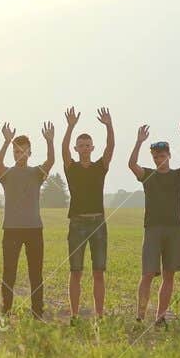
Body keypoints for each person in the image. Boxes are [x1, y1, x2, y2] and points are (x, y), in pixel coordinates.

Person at [129, 120, 180, 324]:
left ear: (169, 155)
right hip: (152, 229)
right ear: (153, 158)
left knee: (170, 276)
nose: (159, 158)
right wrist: (138, 142)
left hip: (174, 229)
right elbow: (131, 165)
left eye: (162, 155)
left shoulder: (178, 175)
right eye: (156, 156)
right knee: (148, 273)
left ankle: (160, 316)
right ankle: (140, 316)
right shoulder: (148, 175)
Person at [0, 121, 56, 319]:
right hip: (11, 229)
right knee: (9, 272)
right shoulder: (7, 174)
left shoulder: (36, 173)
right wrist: (6, 142)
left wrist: (50, 141)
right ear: (13, 153)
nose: (20, 154)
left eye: (23, 151)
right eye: (16, 151)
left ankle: (37, 311)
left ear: (29, 153)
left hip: (34, 229)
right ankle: (6, 310)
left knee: (35, 273)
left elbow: (50, 161)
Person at [63, 107, 115, 318]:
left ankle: (99, 315)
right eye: (81, 146)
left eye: (87, 145)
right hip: (77, 224)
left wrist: (109, 126)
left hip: (98, 223)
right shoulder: (70, 167)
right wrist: (70, 126)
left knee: (98, 273)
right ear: (76, 148)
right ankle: (75, 316)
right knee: (75, 272)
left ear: (92, 147)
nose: (84, 148)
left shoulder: (100, 167)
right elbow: (63, 149)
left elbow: (110, 148)